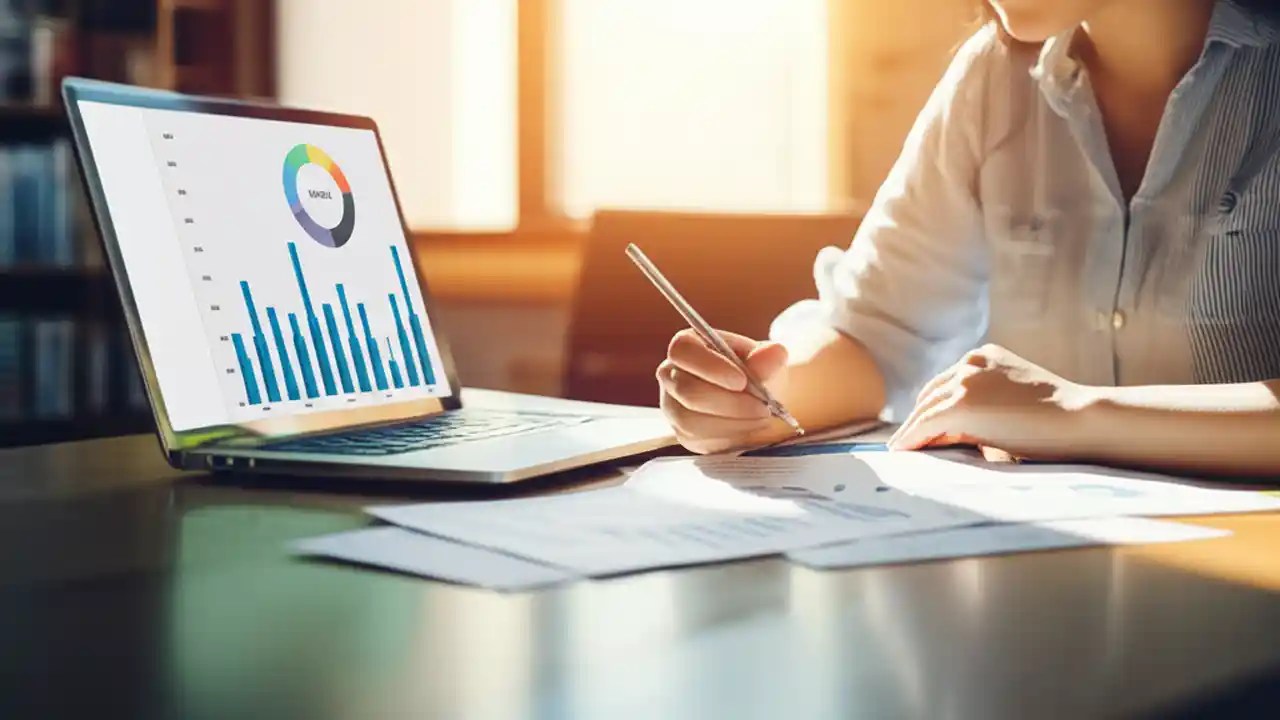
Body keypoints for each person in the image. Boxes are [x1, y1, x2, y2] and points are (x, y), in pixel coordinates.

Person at [656, 0, 1280, 476]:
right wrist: (760, 397)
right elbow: (877, 336)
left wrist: (1072, 412)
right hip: (1049, 567)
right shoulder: (994, 76)